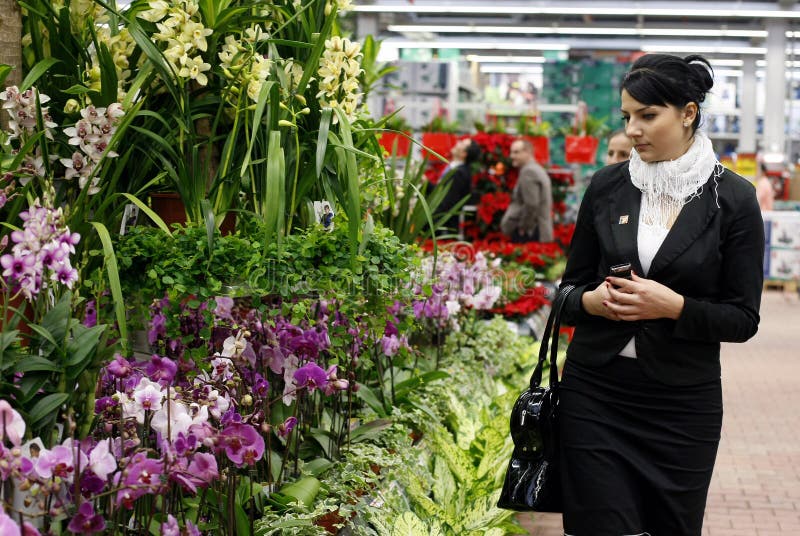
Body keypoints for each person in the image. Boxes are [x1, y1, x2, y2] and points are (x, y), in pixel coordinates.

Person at [556, 54, 764, 535]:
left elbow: (742, 317)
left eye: (648, 116)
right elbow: (567, 288)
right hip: (596, 393)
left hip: (680, 406)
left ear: (688, 113)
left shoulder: (732, 199)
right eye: (627, 116)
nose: (633, 129)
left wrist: (674, 307)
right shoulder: (608, 186)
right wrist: (588, 302)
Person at [500, 139, 553, 242]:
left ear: (528, 152)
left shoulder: (529, 171)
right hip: (536, 230)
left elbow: (531, 204)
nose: (512, 156)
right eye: (511, 152)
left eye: (516, 152)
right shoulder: (536, 169)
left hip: (531, 233)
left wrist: (523, 227)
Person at [435, 138, 480, 234]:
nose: (458, 142)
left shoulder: (459, 173)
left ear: (464, 153)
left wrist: (425, 183)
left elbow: (446, 201)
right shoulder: (454, 168)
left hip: (443, 226)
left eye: (462, 143)